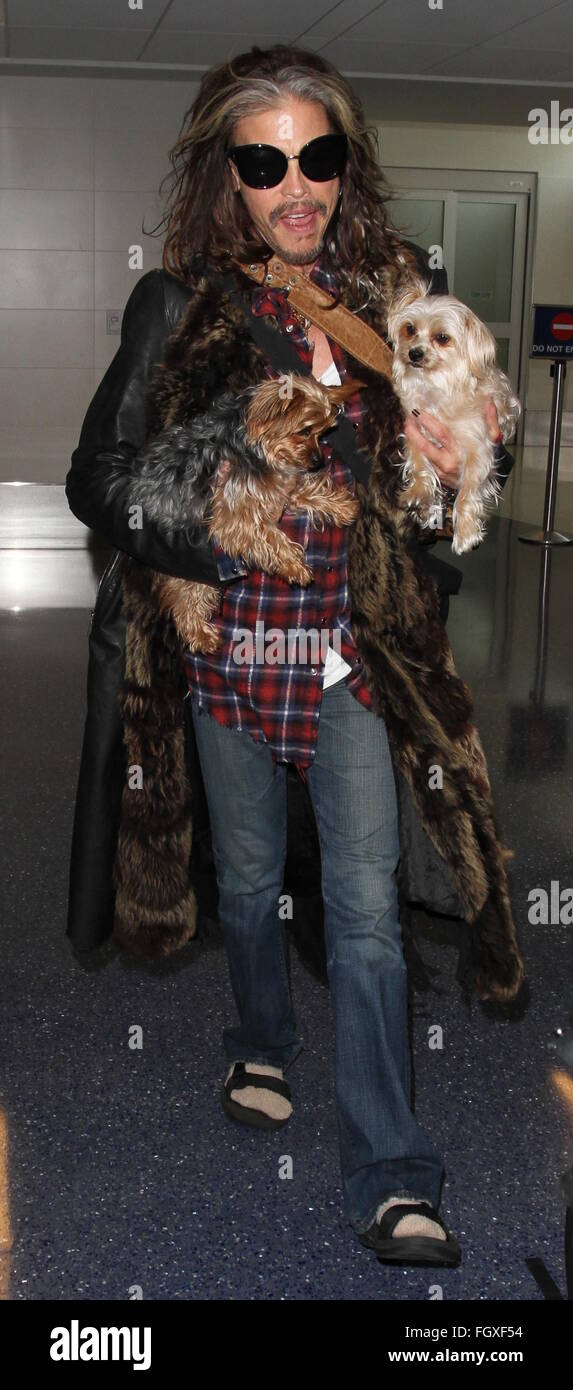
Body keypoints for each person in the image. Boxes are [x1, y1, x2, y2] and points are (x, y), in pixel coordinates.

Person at [65, 43, 516, 1268]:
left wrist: (446, 455)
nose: (295, 185)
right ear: (231, 178)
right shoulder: (176, 307)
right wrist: (220, 522)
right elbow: (96, 480)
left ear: (344, 165)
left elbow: (466, 472)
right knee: (254, 883)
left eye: (316, 156)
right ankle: (259, 1035)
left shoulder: (398, 302)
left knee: (368, 914)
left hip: (349, 662)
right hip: (223, 662)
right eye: (265, 162)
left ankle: (393, 1173)